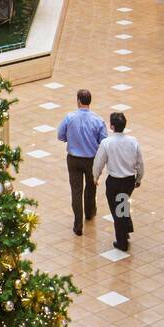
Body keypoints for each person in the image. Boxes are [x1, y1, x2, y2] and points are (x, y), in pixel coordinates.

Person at [57, 90, 107, 236]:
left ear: (78, 101)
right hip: (91, 160)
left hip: (73, 159)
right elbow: (103, 141)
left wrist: (71, 139)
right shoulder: (98, 120)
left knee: (76, 191)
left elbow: (60, 135)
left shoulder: (69, 117)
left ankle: (77, 224)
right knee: (91, 187)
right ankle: (90, 212)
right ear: (89, 101)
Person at [93, 111, 144, 252]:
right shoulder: (133, 141)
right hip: (128, 181)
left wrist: (95, 176)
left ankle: (122, 242)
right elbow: (140, 162)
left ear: (112, 126)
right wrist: (139, 178)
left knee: (117, 211)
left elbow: (99, 162)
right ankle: (126, 230)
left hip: (114, 182)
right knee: (122, 204)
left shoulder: (107, 143)